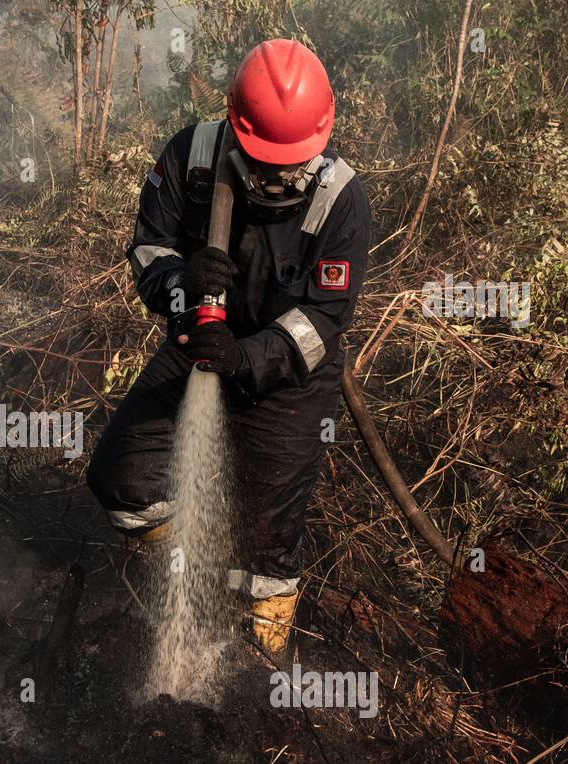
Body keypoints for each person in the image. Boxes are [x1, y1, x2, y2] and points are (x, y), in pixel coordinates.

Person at [87, 39, 372, 655]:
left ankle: (257, 672)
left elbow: (325, 318)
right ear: (235, 125)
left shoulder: (340, 198)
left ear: (323, 133)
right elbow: (149, 245)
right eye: (266, 162)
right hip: (196, 345)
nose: (276, 179)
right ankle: (193, 567)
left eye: (291, 165)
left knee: (266, 546)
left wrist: (249, 359)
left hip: (288, 380)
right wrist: (178, 285)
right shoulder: (192, 156)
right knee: (122, 479)